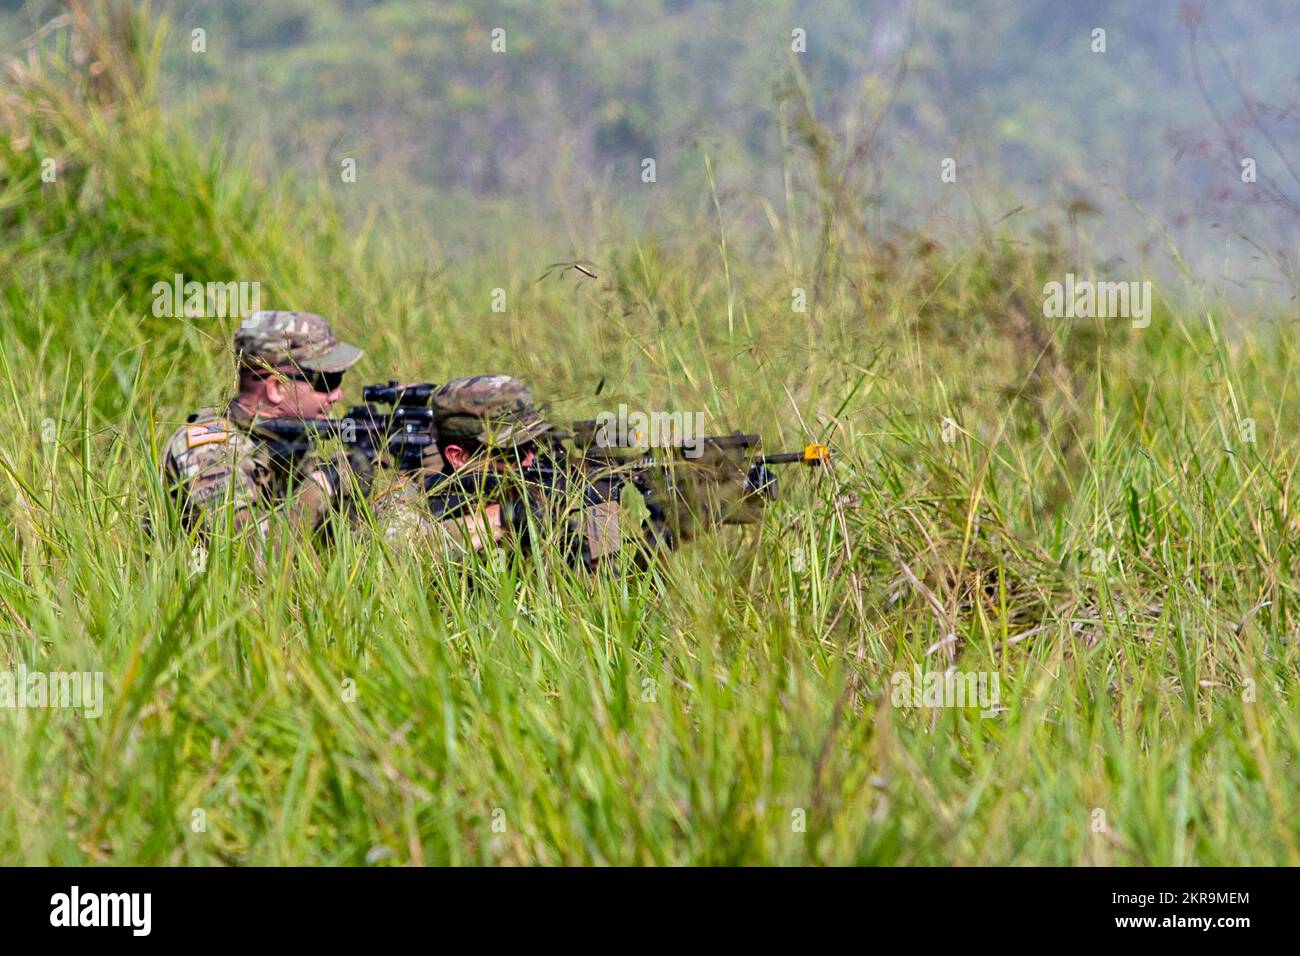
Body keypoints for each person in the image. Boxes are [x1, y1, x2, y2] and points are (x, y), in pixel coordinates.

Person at [160, 310, 371, 542]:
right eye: (327, 382)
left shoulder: (286, 446)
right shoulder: (208, 448)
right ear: (276, 388)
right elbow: (248, 553)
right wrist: (324, 485)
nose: (337, 395)